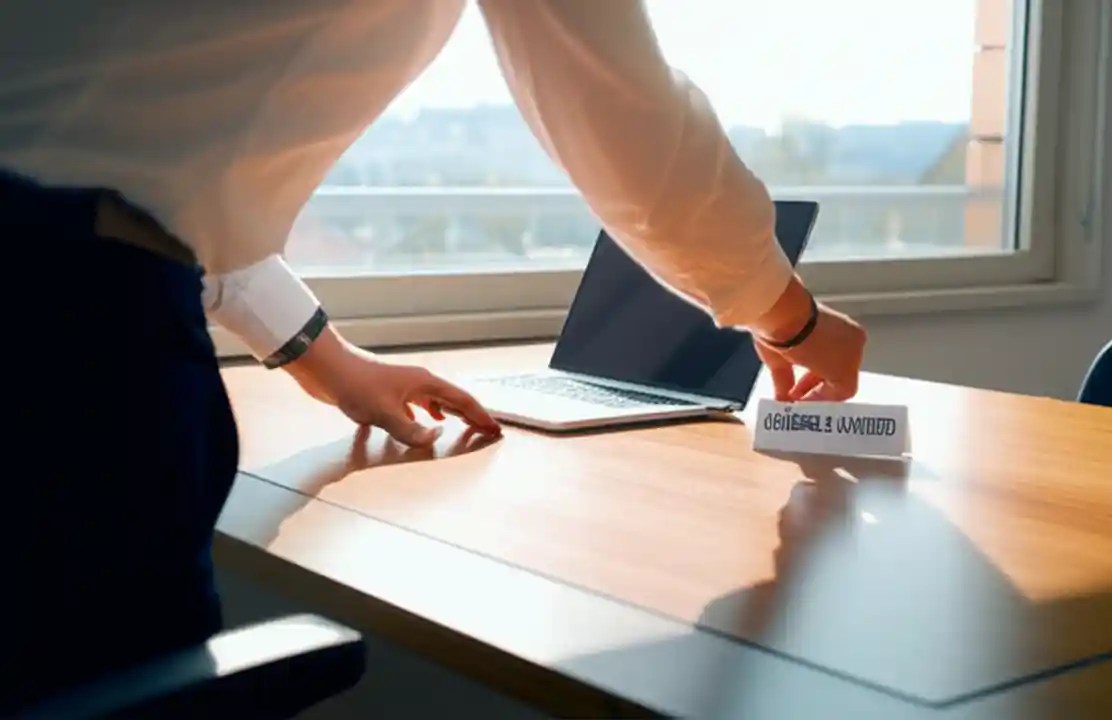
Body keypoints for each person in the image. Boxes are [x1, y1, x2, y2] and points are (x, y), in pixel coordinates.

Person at [1, 0, 867, 708]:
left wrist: (330, 360)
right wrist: (788, 317)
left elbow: (130, 161)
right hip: (57, 338)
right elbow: (626, 117)